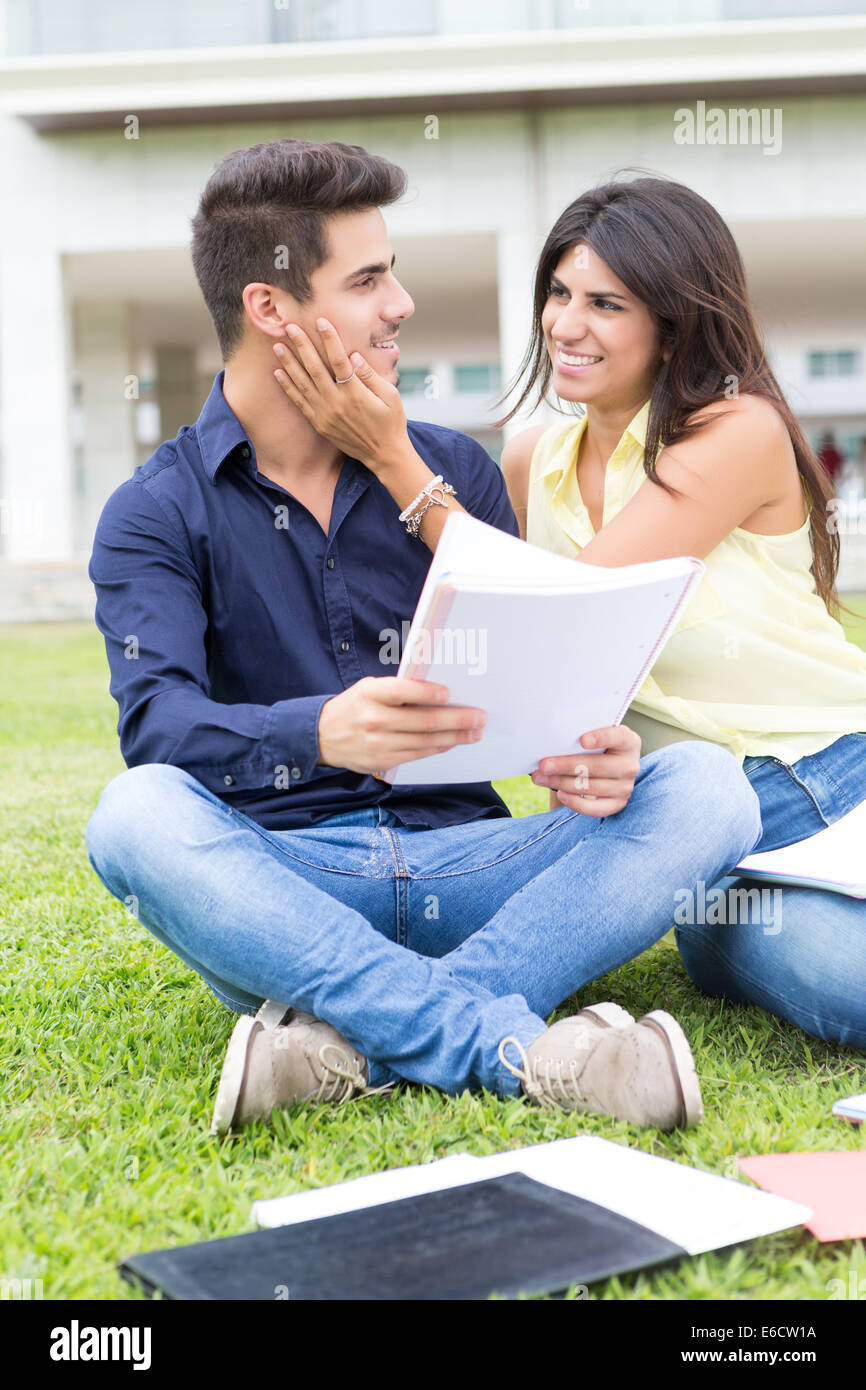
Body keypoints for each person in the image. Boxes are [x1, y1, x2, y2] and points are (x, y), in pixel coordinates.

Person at [85, 142, 762, 1135]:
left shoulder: (451, 475)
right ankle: (504, 1045)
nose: (399, 302)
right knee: (132, 814)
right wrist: (318, 732)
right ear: (272, 309)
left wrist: (589, 754)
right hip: (289, 890)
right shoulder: (155, 510)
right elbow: (160, 726)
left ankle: (350, 1041)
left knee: (704, 788)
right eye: (367, 280)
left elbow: (543, 685)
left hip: (478, 872)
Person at [493, 175, 866, 1051]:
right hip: (690, 823)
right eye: (558, 293)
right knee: (828, 979)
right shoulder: (527, 460)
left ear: (674, 323)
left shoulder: (739, 429)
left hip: (832, 782)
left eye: (607, 304)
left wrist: (399, 465)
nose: (565, 325)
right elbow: (494, 646)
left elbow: (576, 613)